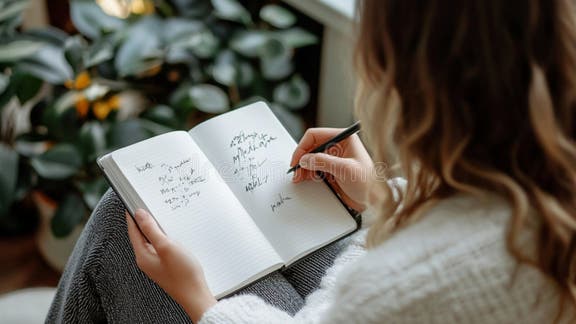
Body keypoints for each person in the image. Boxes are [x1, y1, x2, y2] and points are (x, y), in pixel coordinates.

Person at [48, 0, 576, 322]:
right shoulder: (548, 180)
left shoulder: (411, 284)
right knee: (303, 220)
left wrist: (200, 301)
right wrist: (381, 197)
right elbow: (469, 223)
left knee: (129, 219)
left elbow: (393, 293)